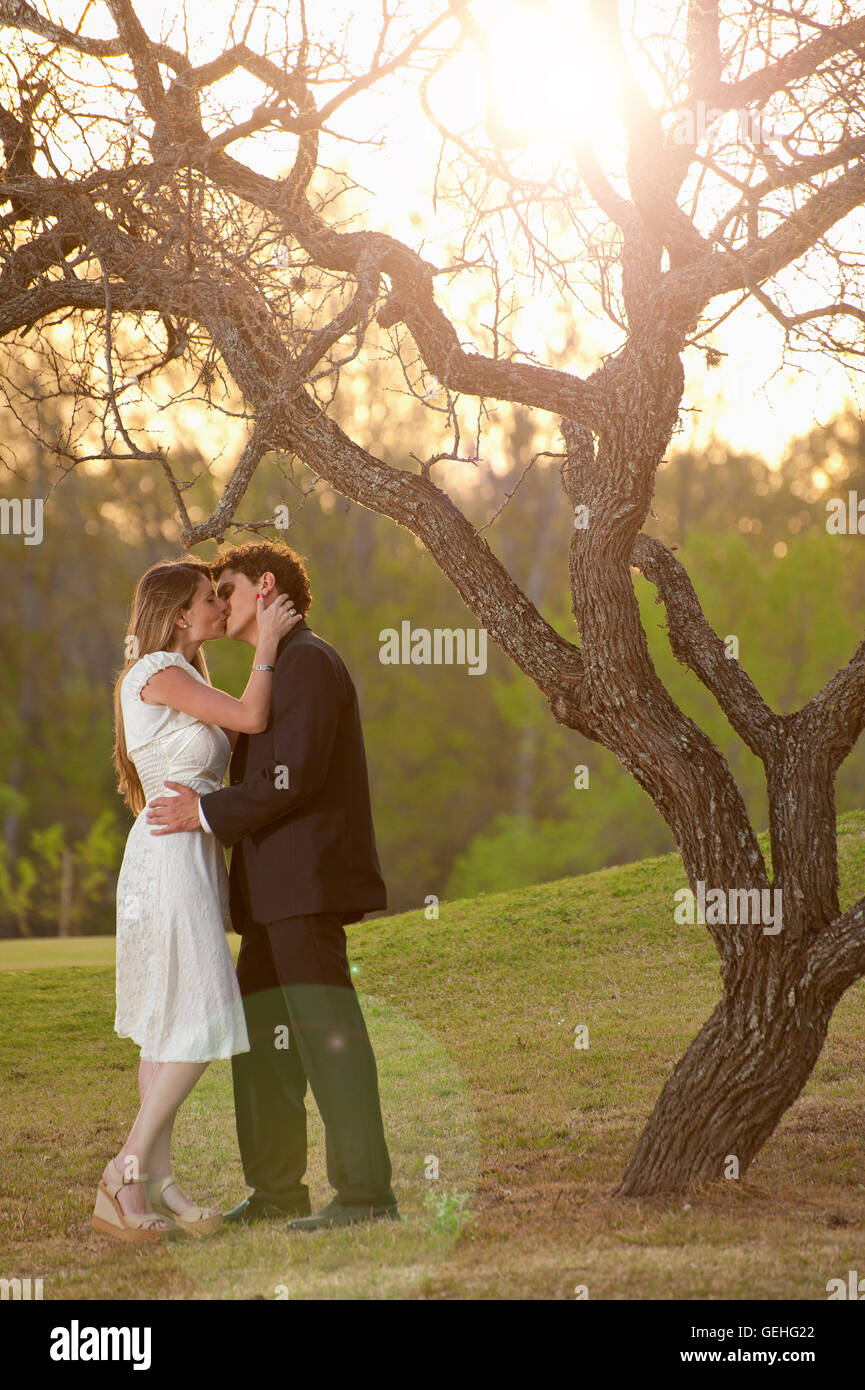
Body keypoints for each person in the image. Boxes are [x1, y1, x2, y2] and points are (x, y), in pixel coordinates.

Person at [145, 541, 399, 1231]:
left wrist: (202, 812)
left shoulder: (309, 662)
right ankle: (276, 1191)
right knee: (262, 1048)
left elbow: (295, 775)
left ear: (263, 587)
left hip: (306, 889)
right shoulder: (276, 666)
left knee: (328, 1040)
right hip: (267, 898)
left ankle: (367, 1197)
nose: (216, 605)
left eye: (223, 590)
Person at [93, 558, 299, 1244]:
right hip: (168, 858)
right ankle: (123, 1171)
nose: (220, 606)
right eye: (210, 599)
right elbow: (250, 715)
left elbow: (237, 734)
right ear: (181, 614)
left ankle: (159, 1183)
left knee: (165, 1023)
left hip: (192, 855)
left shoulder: (187, 676)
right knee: (205, 1012)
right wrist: (267, 640)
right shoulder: (158, 672)